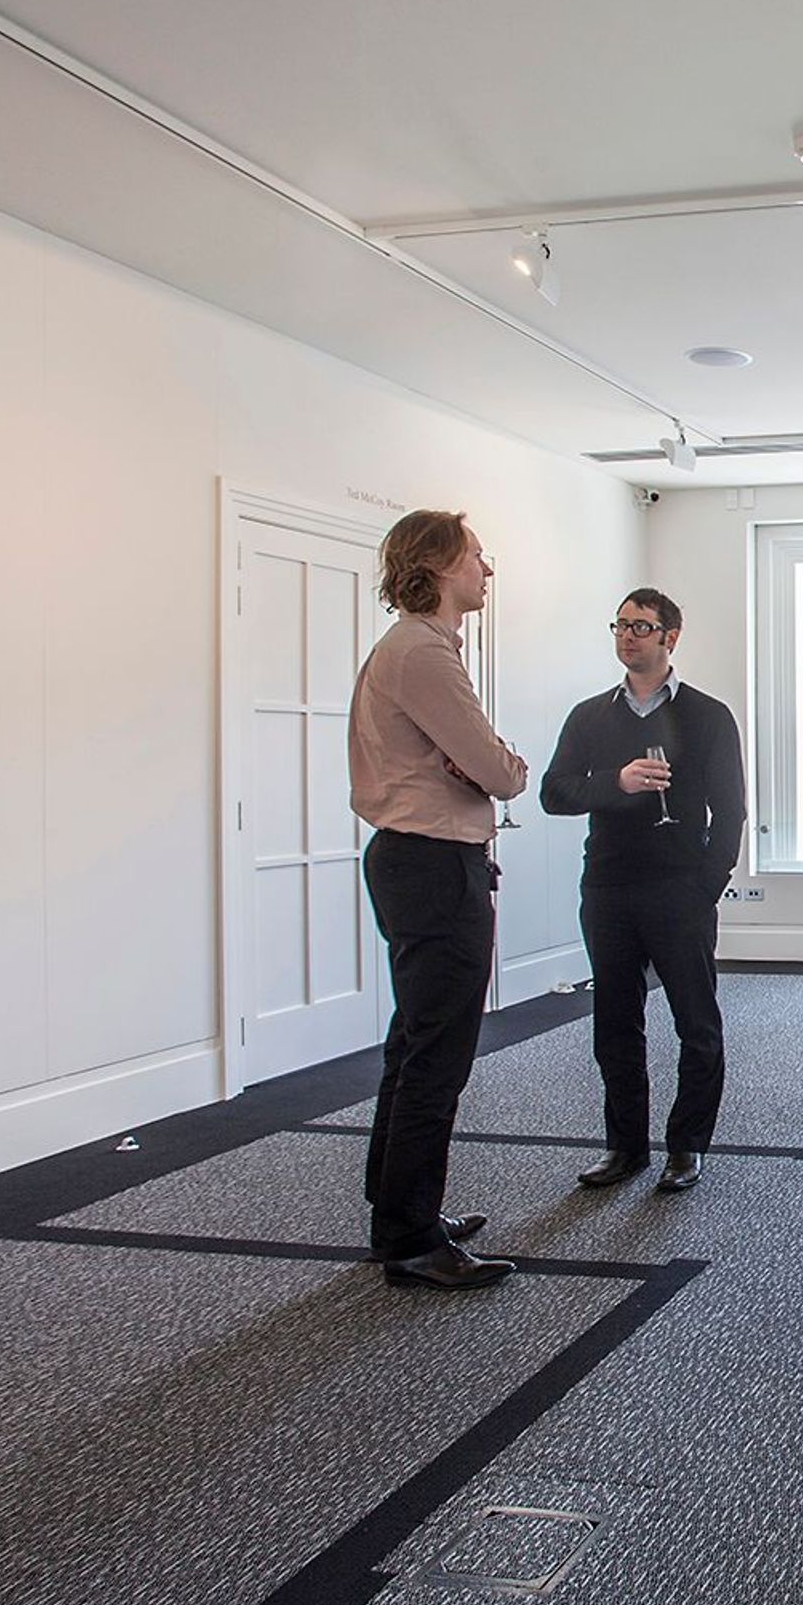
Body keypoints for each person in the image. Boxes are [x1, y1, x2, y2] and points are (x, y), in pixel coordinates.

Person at [348, 510, 529, 1291]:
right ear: (438, 565)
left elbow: (474, 764)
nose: (486, 571)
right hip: (432, 863)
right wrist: (493, 766)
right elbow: (500, 770)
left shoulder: (415, 649)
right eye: (477, 558)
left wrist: (478, 765)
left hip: (417, 860)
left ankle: (399, 1210)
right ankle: (412, 1237)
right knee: (437, 1056)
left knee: (416, 1042)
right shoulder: (422, 652)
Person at [540, 588, 747, 1194]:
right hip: (606, 887)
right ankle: (624, 1147)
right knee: (615, 1022)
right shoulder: (588, 716)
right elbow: (555, 793)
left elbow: (729, 810)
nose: (627, 636)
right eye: (620, 625)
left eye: (641, 626)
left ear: (669, 638)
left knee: (696, 1021)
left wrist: (707, 885)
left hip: (680, 889)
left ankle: (686, 1146)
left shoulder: (707, 715)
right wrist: (616, 782)